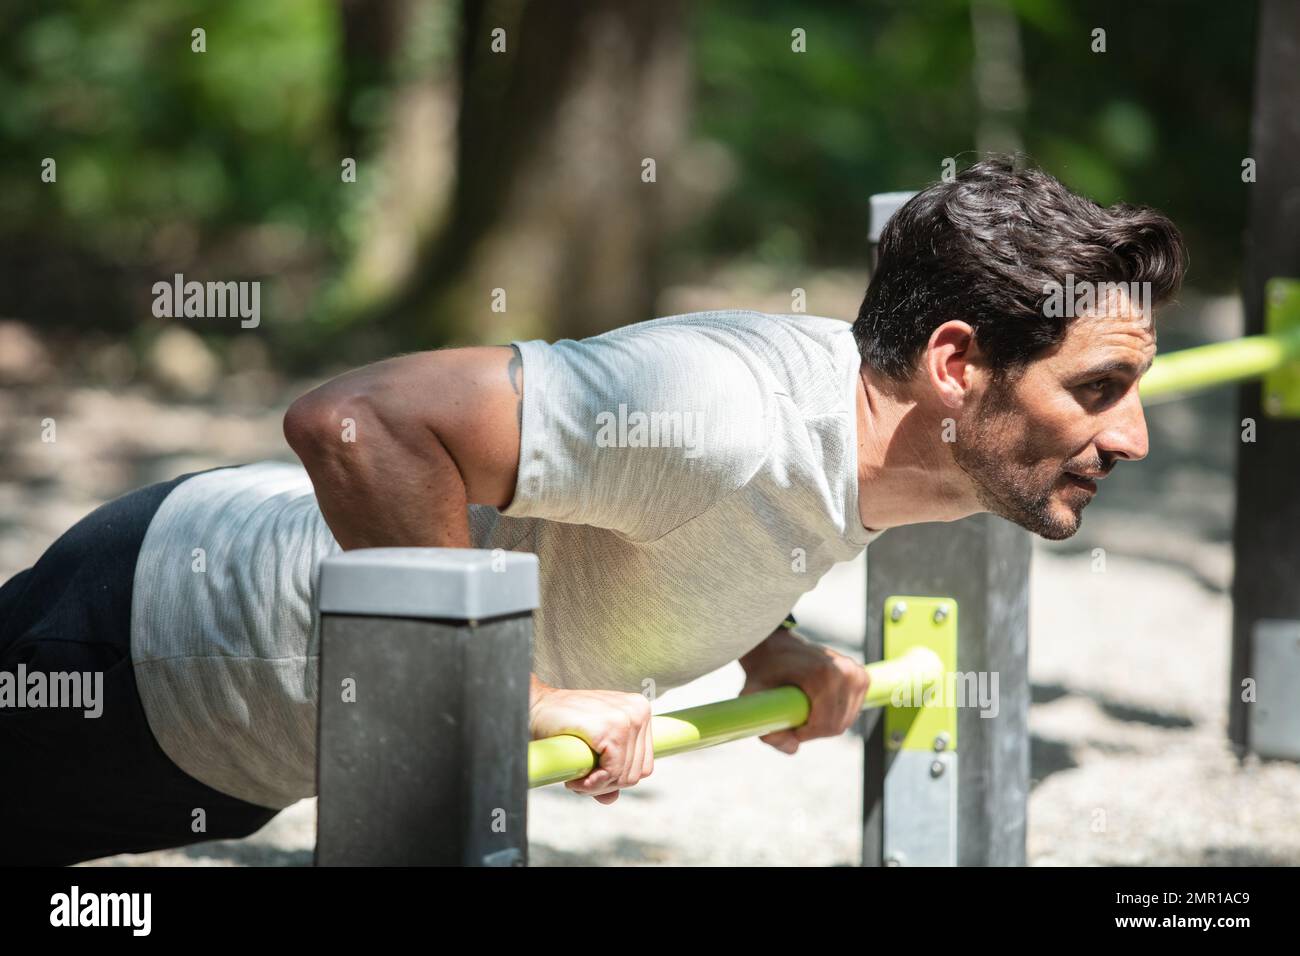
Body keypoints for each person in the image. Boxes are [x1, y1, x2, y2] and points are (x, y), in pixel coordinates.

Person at [0, 156, 1187, 865]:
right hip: (146, 642)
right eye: (1098, 390)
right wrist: (507, 689)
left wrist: (769, 641)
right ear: (952, 362)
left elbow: (683, 532)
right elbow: (353, 419)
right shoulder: (719, 407)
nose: (1131, 435)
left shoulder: (878, 446)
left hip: (248, 739)